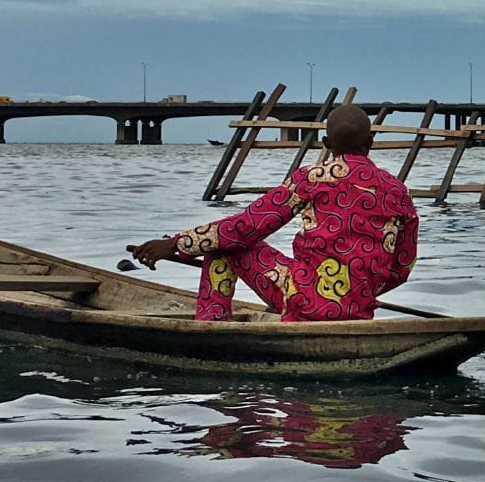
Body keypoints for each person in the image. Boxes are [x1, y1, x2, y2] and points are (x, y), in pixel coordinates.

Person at [129, 103, 418, 322]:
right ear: (370, 143)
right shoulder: (399, 191)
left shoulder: (312, 178)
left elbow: (245, 227)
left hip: (305, 298)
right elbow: (401, 269)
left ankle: (211, 326)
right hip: (359, 308)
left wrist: (178, 244)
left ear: (326, 145)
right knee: (227, 240)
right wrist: (356, 294)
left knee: (225, 246)